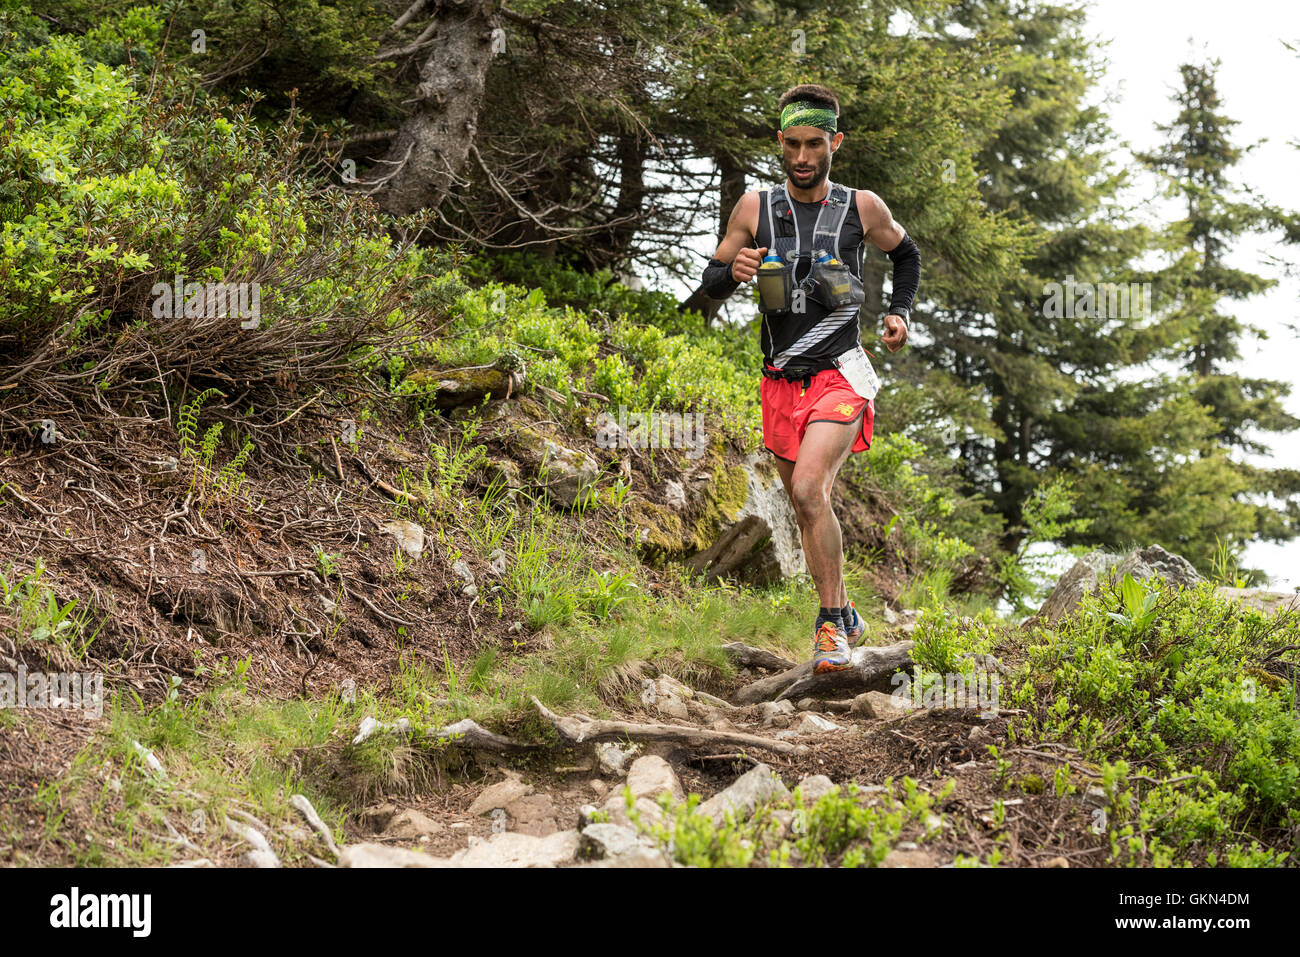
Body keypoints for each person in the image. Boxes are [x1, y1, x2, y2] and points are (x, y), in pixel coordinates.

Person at [698, 83, 921, 673]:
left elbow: (907, 254)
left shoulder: (862, 207)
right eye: (792, 144)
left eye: (815, 144)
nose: (802, 156)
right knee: (806, 507)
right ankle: (846, 613)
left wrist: (900, 310)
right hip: (780, 379)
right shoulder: (754, 208)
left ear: (835, 143)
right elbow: (713, 278)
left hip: (841, 374)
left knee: (807, 491)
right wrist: (732, 271)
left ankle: (828, 630)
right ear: (780, 142)